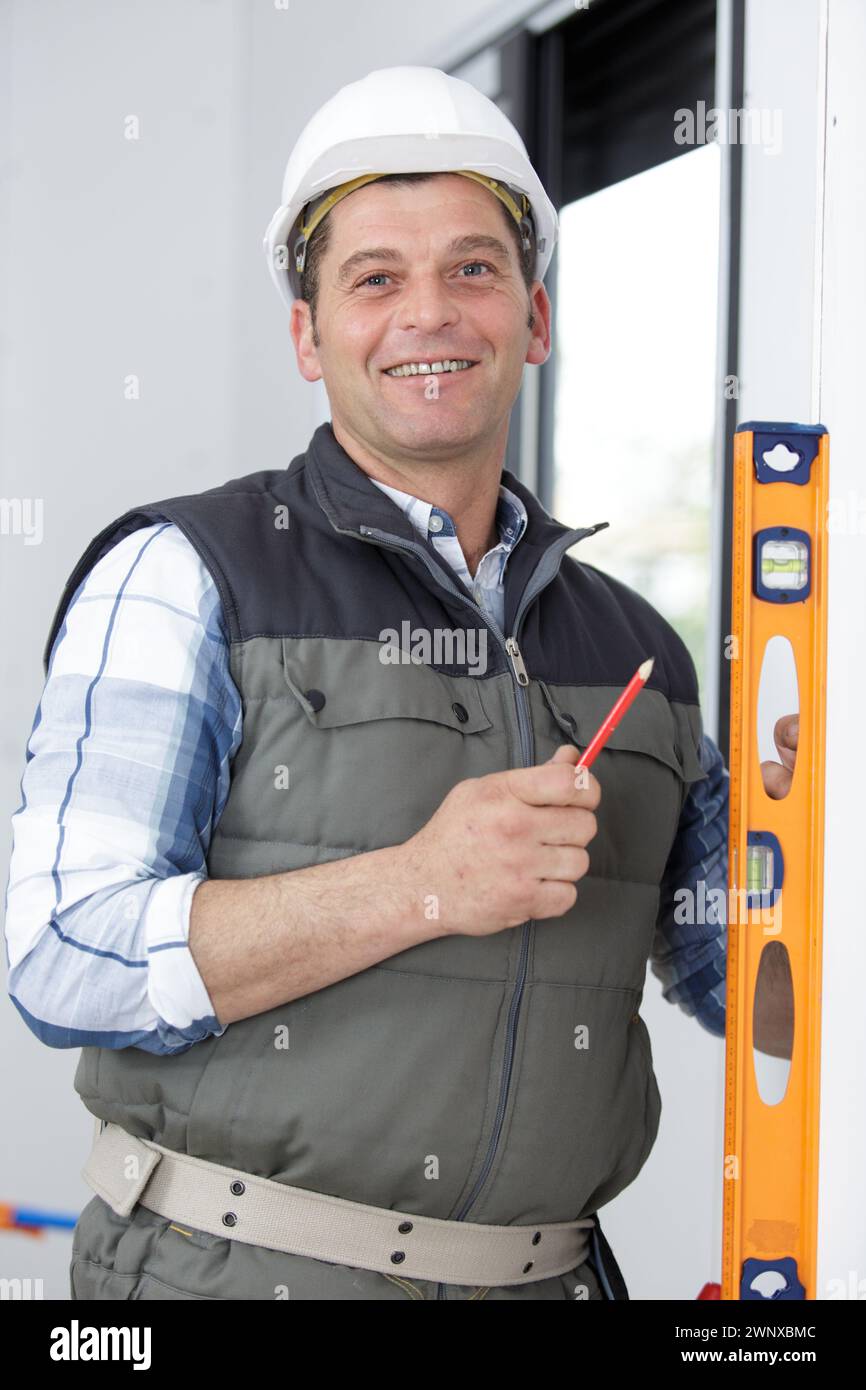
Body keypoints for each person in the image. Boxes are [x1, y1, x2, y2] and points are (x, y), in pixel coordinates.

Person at [4, 65, 796, 1302]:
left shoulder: (642, 650)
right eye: (374, 278)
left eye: (472, 269)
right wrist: (417, 888)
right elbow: (65, 958)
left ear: (534, 319)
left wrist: (810, 832)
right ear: (308, 333)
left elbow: (747, 991)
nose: (428, 313)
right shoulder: (184, 576)